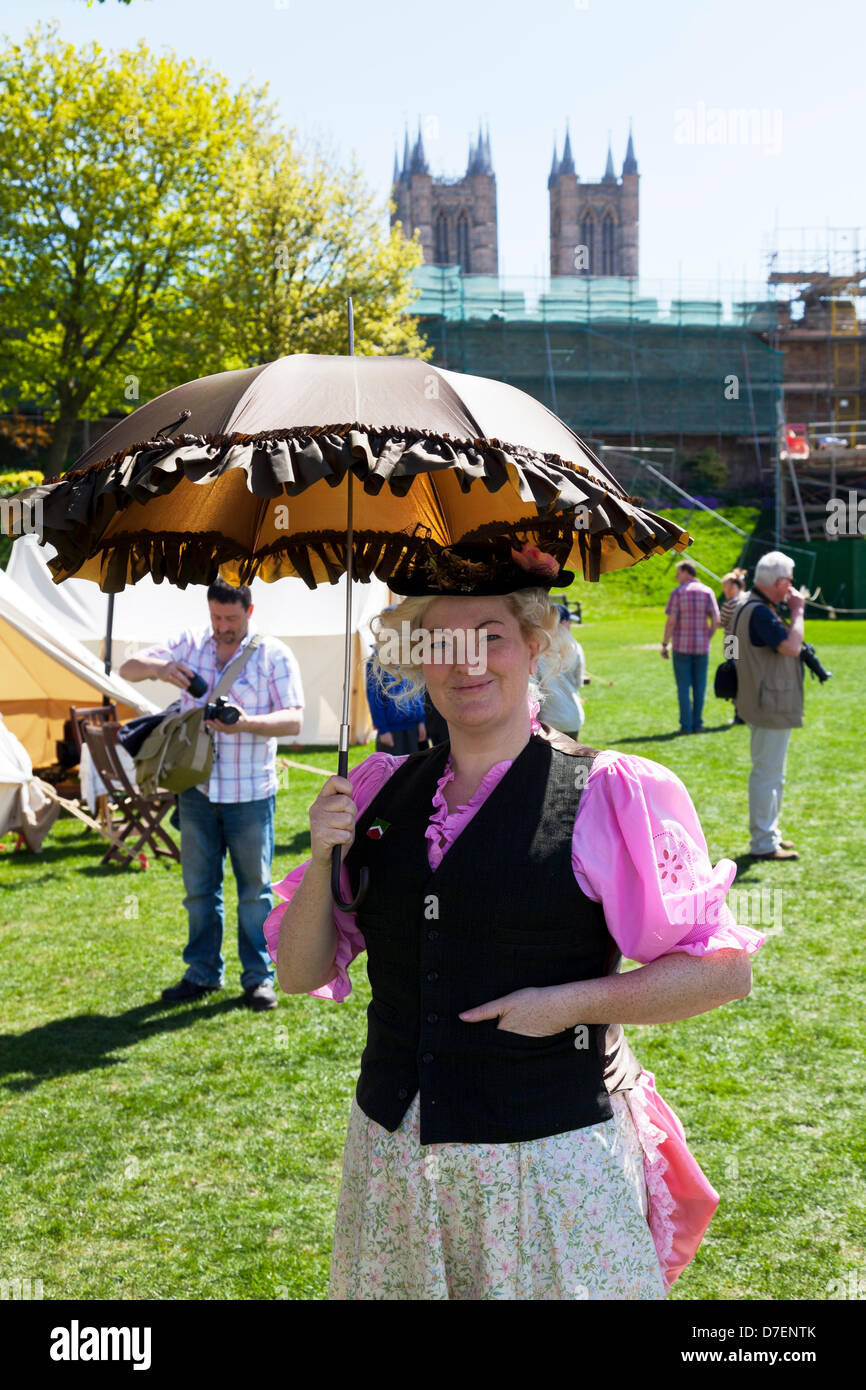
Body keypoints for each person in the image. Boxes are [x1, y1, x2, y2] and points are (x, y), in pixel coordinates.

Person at [265, 544, 763, 1301]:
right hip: (395, 1162)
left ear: (536, 644)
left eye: (490, 635)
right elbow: (300, 974)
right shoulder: (377, 793)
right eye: (440, 640)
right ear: (415, 658)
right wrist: (323, 852)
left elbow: (725, 971)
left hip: (547, 1167)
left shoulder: (609, 794)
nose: (467, 664)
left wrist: (568, 1003)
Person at [119, 577, 304, 1010]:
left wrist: (245, 724)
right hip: (196, 790)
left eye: (231, 619)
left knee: (255, 892)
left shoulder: (273, 654)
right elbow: (126, 668)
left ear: (250, 613)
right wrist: (160, 669)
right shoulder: (189, 643)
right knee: (199, 891)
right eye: (217, 617)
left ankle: (258, 978)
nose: (223, 626)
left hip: (250, 793)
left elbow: (294, 720)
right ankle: (202, 973)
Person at [731, 552, 804, 862]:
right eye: (789, 580)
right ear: (781, 582)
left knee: (772, 772)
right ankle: (763, 842)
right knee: (767, 773)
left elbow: (729, 646)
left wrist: (743, 673)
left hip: (756, 696)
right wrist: (798, 612)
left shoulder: (742, 604)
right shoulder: (760, 611)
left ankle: (770, 833)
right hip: (770, 698)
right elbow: (791, 647)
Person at [661, 560, 720, 733]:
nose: (676, 576)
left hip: (681, 647)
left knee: (683, 688)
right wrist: (707, 636)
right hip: (702, 648)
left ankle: (686, 726)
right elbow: (716, 620)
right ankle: (698, 724)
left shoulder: (678, 593)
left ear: (687, 572)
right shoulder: (708, 591)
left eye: (678, 572)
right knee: (700, 687)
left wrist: (665, 643)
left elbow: (671, 621)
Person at [537, 603, 586, 738]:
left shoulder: (539, 648)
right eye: (569, 622)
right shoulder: (575, 647)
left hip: (547, 720)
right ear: (563, 622)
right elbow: (578, 682)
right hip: (571, 717)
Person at [719, 570, 748, 724]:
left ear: (730, 587)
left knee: (735, 678)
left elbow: (720, 622)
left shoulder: (730, 603)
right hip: (747, 645)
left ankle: (739, 714)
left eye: (724, 587)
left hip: (732, 644)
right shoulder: (747, 599)